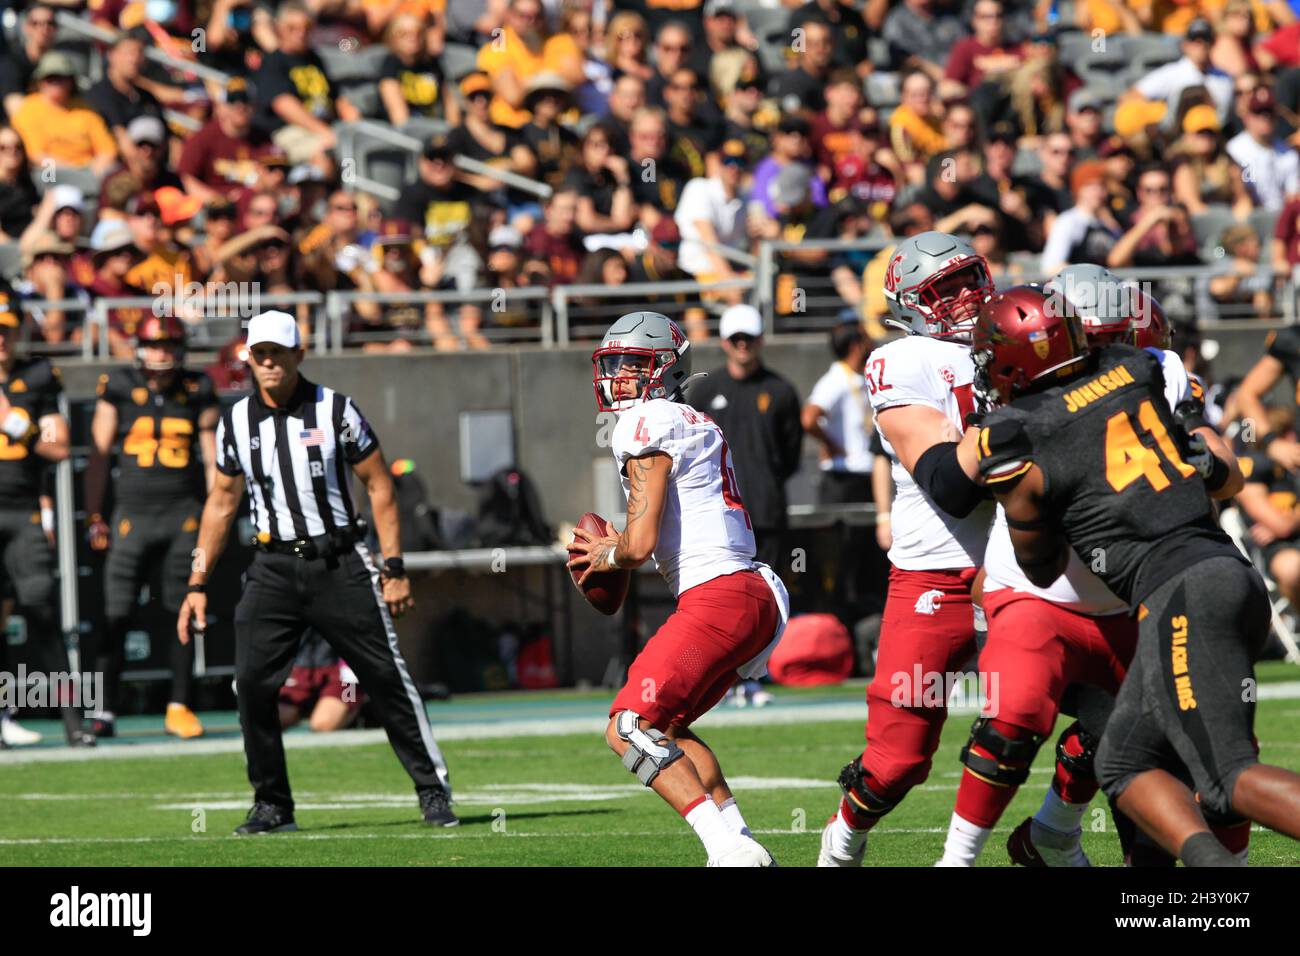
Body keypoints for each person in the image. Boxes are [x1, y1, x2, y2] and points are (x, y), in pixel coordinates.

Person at [972, 284, 1300, 867]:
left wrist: (1024, 495)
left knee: (1226, 776)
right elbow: (1211, 465)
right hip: (1225, 573)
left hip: (1182, 591)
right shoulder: (1137, 368)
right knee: (1122, 762)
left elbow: (1040, 568)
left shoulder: (1021, 432)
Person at [176, 310, 456, 833]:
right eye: (260, 354)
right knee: (251, 684)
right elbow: (221, 502)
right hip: (273, 566)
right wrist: (197, 582)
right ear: (249, 359)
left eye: (277, 354)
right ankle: (272, 804)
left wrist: (393, 566)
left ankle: (432, 789)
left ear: (298, 355)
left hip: (339, 562)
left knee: (386, 677)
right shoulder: (235, 421)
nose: (268, 363)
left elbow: (379, 485)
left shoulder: (335, 409)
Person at [567, 311, 790, 866]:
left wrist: (608, 553)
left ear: (665, 369)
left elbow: (639, 546)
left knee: (628, 727)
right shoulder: (691, 419)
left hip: (720, 595)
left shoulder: (646, 421)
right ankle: (742, 843)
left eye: (633, 364)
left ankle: (726, 850)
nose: (619, 376)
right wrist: (621, 546)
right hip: (753, 594)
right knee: (665, 727)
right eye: (614, 364)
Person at [818, 231, 995, 866]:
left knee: (1102, 714)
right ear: (911, 303)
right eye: (946, 289)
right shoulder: (902, 359)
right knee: (899, 761)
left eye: (971, 280)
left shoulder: (1017, 336)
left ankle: (1055, 834)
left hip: (1025, 568)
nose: (967, 297)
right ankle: (843, 838)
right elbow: (953, 487)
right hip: (936, 576)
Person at [83, 315, 219, 740]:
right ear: (140, 348)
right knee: (116, 612)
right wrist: (94, 514)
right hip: (132, 516)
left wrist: (215, 513)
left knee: (182, 610)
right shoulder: (119, 385)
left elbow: (212, 459)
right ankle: (104, 708)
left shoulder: (198, 387)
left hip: (183, 514)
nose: (162, 354)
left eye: (169, 346)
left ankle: (179, 705)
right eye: (155, 346)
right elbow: (99, 455)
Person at [0, 280, 88, 745]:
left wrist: (15, 424)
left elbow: (59, 447)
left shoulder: (36, 377)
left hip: (21, 512)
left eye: (5, 329)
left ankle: (74, 721)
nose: (0, 338)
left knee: (41, 610)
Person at [686, 304, 802, 574]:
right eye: (736, 338)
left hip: (766, 510)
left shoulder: (781, 391)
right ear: (724, 342)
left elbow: (791, 454)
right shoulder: (704, 391)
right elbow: (692, 450)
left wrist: (767, 481)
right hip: (718, 513)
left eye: (748, 337)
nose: (742, 344)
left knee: (769, 584)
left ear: (760, 339)